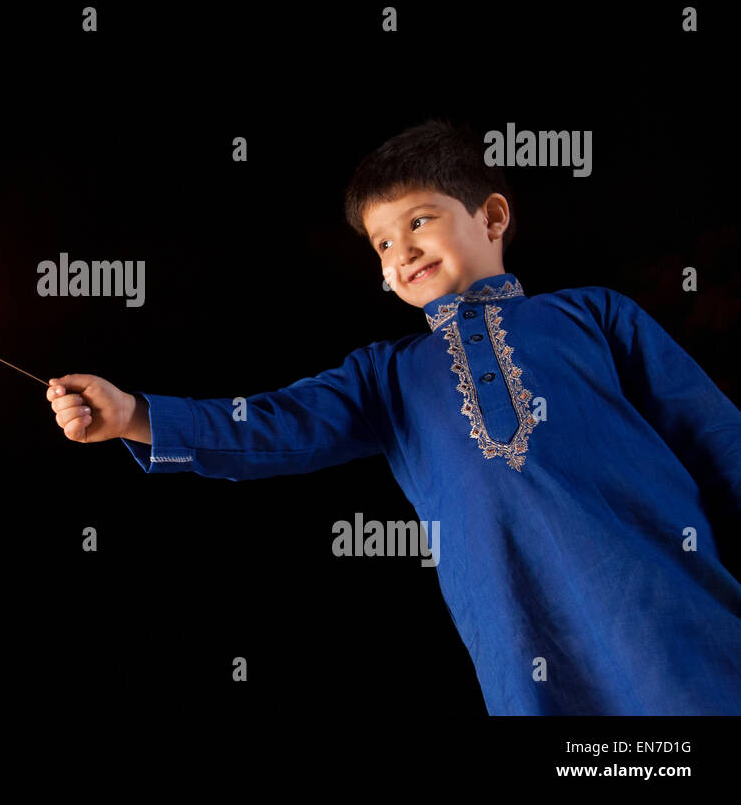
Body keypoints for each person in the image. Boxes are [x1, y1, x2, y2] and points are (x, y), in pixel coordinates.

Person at [45, 119, 741, 715]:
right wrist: (135, 414)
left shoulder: (592, 314)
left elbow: (716, 436)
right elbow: (271, 424)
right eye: (380, 241)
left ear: (492, 217)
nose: (400, 251)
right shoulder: (384, 376)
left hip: (664, 601)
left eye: (418, 220)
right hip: (521, 634)